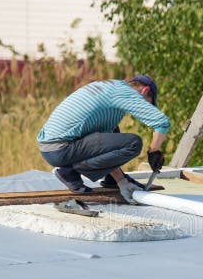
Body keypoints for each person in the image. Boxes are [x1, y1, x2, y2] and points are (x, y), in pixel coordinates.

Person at [37, 75, 168, 204]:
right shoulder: (125, 92)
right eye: (147, 103)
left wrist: (121, 181)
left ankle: (111, 178)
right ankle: (70, 171)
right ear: (144, 91)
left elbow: (104, 149)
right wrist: (153, 151)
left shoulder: (111, 87)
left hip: (51, 148)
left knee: (114, 132)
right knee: (133, 143)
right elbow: (162, 123)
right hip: (60, 149)